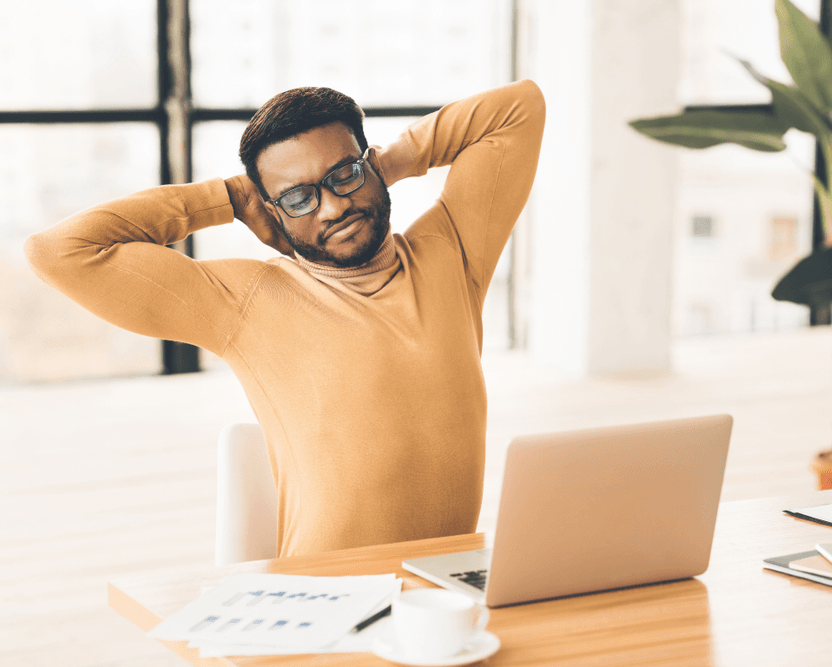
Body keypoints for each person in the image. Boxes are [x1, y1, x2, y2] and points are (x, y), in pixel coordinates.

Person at [25, 80, 545, 557]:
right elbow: (58, 252)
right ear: (271, 211)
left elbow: (518, 107)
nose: (332, 207)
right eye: (298, 197)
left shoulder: (451, 252)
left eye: (345, 175)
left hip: (444, 601)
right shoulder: (248, 300)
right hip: (321, 603)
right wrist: (225, 198)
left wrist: (395, 159)